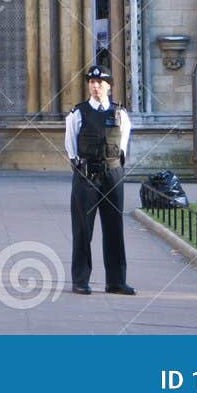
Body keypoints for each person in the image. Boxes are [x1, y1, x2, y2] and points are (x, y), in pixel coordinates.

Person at [64, 56, 135, 295]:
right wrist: (80, 167)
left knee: (114, 227)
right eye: (91, 82)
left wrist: (114, 165)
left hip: (112, 174)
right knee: (83, 228)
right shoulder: (78, 113)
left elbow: (124, 143)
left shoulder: (120, 113)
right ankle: (80, 280)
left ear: (109, 86)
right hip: (87, 176)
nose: (95, 86)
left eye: (99, 82)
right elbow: (70, 145)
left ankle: (116, 281)